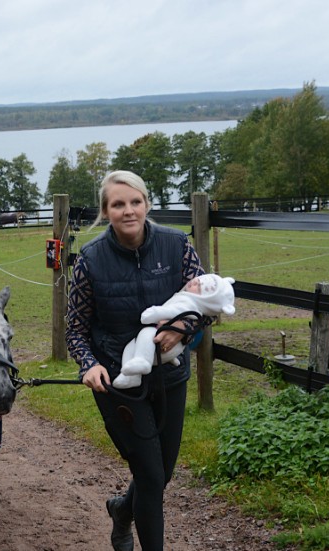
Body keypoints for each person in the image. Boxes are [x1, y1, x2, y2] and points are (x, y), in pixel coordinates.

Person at [66, 170, 206, 550]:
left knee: (162, 474)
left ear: (146, 204)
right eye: (118, 204)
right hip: (117, 381)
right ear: (105, 211)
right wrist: (88, 365)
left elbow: (206, 302)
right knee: (149, 475)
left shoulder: (177, 245)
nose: (128, 211)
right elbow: (75, 329)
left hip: (169, 375)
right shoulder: (90, 260)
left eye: (135, 202)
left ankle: (121, 510)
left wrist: (182, 328)